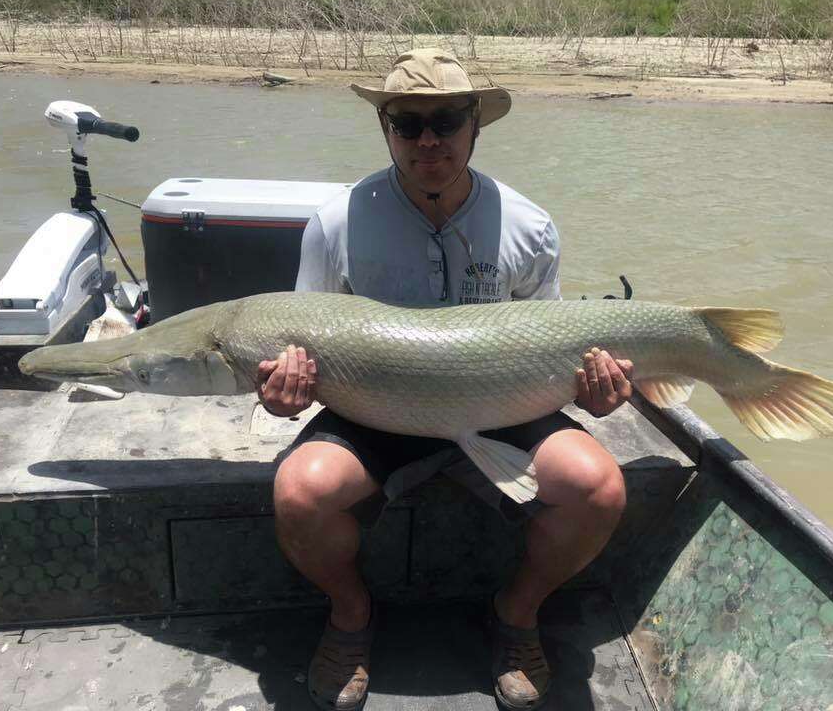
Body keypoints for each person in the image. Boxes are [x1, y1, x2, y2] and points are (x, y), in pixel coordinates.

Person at [256, 48, 633, 711]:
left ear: (475, 125)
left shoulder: (529, 226)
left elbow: (548, 340)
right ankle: (351, 615)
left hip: (502, 406)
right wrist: (283, 395)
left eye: (447, 120)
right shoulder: (336, 222)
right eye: (408, 123)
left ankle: (516, 615)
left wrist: (594, 389)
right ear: (386, 129)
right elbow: (301, 341)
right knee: (298, 493)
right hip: (376, 412)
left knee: (599, 489)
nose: (428, 139)